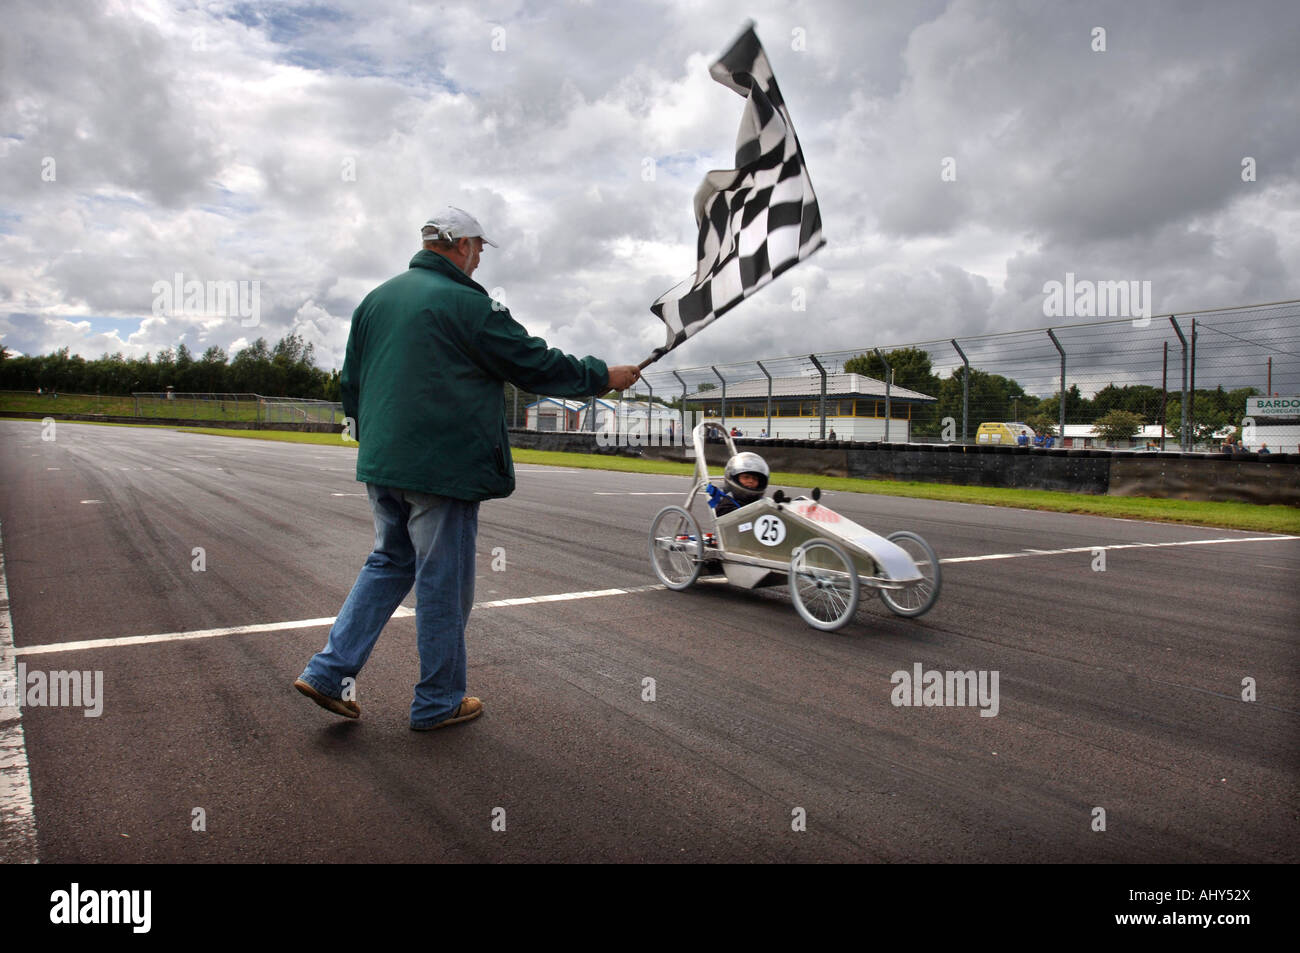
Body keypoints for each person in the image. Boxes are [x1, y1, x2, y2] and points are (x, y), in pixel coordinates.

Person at [295, 206, 640, 730]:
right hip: (442, 468)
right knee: (443, 581)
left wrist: (373, 440)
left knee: (389, 561)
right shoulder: (467, 305)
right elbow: (534, 362)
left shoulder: (375, 300)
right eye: (478, 248)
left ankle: (328, 672)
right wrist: (601, 376)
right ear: (460, 245)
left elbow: (353, 383)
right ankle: (437, 701)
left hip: (383, 462)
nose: (479, 259)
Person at [707, 452, 770, 517]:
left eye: (755, 479)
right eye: (746, 477)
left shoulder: (762, 503)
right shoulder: (726, 505)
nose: (751, 481)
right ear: (735, 478)